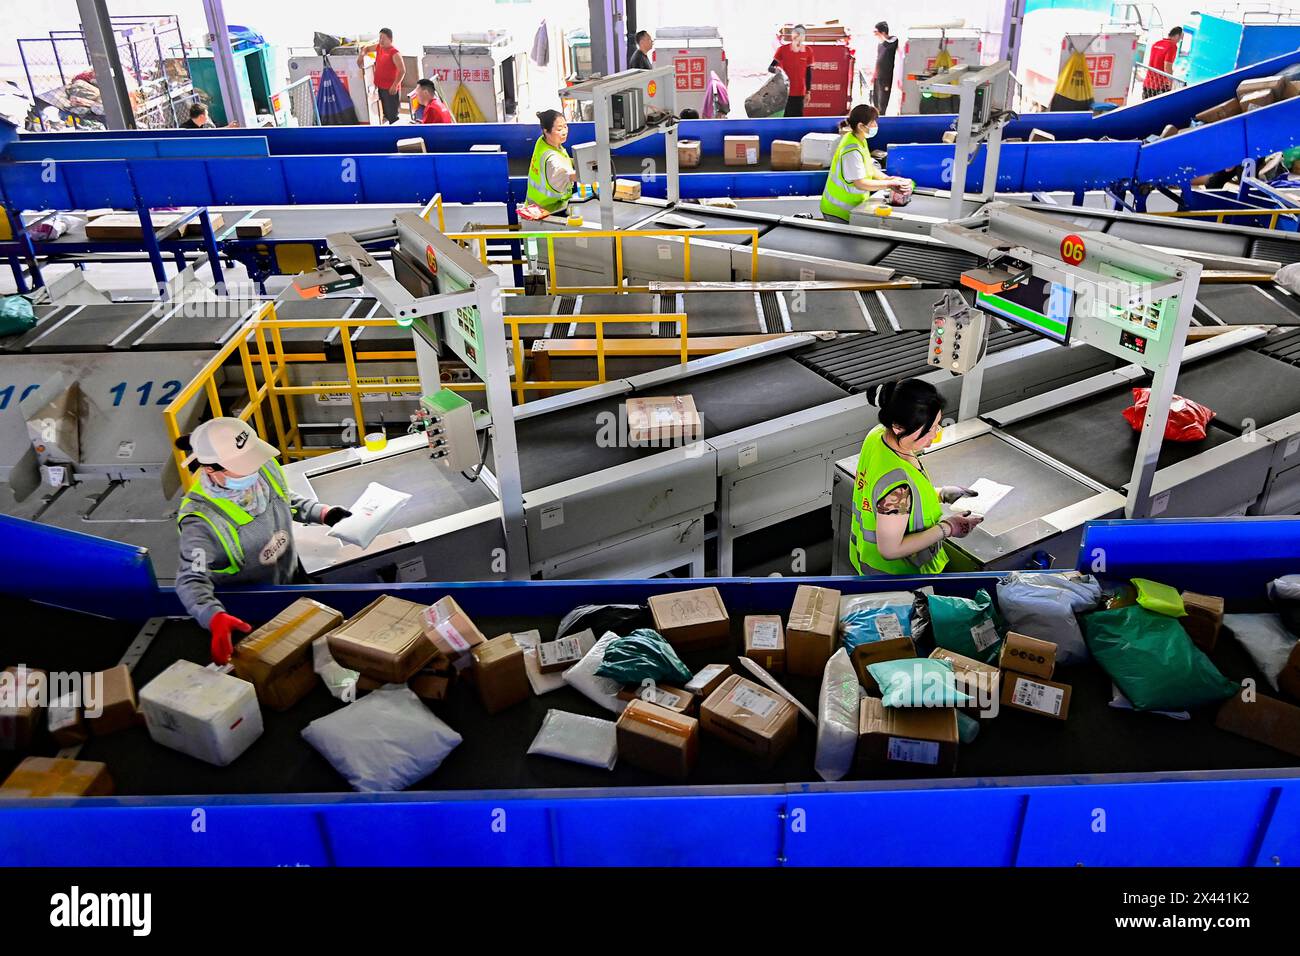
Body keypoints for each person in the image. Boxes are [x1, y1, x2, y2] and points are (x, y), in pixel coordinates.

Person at [174, 418, 351, 664]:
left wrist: (322, 513)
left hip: (294, 580)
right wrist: (213, 617)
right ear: (210, 470)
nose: (253, 471)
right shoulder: (201, 521)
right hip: (252, 614)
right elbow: (191, 578)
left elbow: (284, 499)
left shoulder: (262, 467)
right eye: (240, 466)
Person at [848, 380, 982, 576]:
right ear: (898, 427)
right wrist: (948, 527)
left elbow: (895, 500)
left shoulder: (877, 436)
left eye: (937, 425)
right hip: (896, 577)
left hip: (863, 556)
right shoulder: (897, 487)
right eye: (928, 430)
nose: (936, 435)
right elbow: (890, 550)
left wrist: (940, 494)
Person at [820, 104, 911, 222]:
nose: (876, 125)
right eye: (872, 122)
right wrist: (889, 184)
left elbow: (869, 167)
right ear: (861, 126)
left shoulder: (858, 139)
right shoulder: (851, 150)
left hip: (853, 208)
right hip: (839, 211)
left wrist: (887, 179)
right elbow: (860, 183)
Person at [526, 109, 577, 215]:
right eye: (559, 129)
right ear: (546, 131)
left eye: (565, 126)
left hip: (536, 207)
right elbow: (567, 176)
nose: (564, 131)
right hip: (546, 212)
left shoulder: (543, 142)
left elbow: (562, 160)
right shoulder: (551, 160)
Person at [359, 28, 405, 123]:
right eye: (380, 38)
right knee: (385, 112)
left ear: (390, 40)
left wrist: (395, 85)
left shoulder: (394, 53)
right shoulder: (379, 47)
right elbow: (366, 48)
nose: (381, 41)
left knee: (393, 115)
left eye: (383, 38)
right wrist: (361, 56)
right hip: (380, 87)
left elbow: (402, 70)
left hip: (391, 88)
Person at [770, 23, 814, 117]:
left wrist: (808, 92)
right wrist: (777, 71)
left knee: (797, 118)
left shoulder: (808, 51)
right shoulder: (782, 50)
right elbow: (771, 67)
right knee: (784, 117)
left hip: (799, 92)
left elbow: (808, 73)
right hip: (784, 92)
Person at [1143, 26, 1182, 99]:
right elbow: (1167, 66)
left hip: (1148, 83)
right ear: (1177, 36)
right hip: (1160, 86)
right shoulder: (1172, 46)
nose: (1180, 40)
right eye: (1180, 37)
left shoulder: (1156, 43)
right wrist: (1171, 82)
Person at [871, 22, 899, 115]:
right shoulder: (880, 44)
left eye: (876, 32)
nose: (875, 34)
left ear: (882, 32)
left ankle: (882, 115)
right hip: (878, 75)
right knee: (876, 98)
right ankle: (875, 115)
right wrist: (874, 74)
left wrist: (882, 36)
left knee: (883, 99)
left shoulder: (893, 40)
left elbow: (889, 44)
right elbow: (877, 59)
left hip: (886, 76)